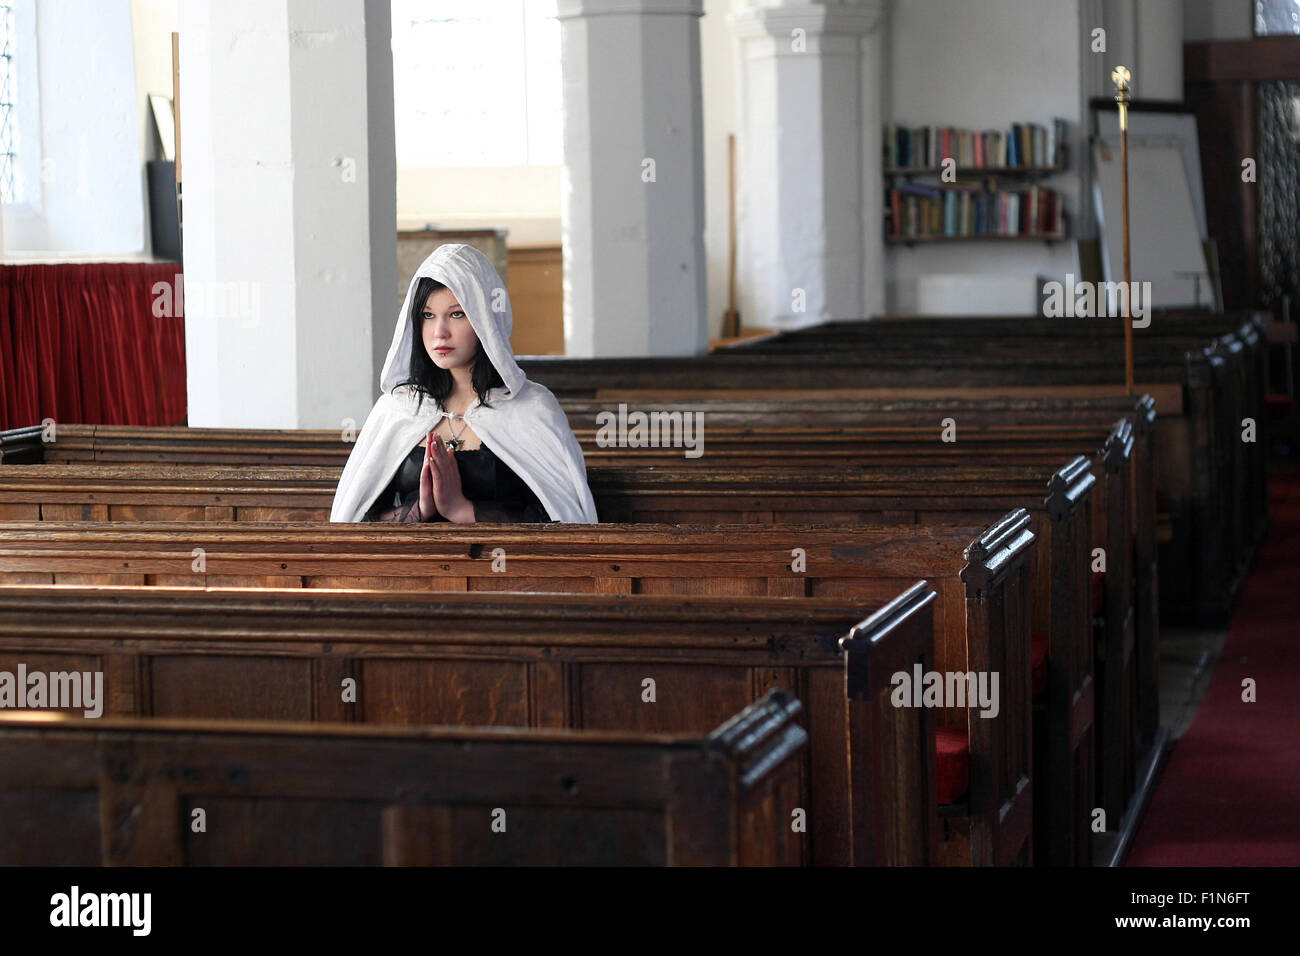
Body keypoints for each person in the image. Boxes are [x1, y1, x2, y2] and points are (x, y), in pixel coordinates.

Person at [330, 243, 598, 524]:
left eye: (457, 314)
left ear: (486, 319)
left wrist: (462, 510)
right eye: (428, 315)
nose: (439, 333)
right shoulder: (397, 408)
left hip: (512, 566)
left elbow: (565, 523)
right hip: (409, 566)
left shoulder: (531, 407)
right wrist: (419, 510)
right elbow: (357, 521)